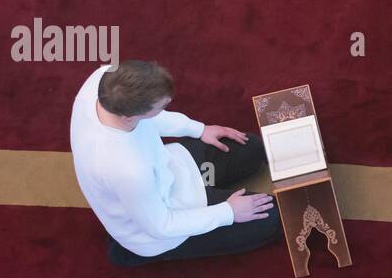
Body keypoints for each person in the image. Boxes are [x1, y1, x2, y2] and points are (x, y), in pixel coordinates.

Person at [69, 60, 281, 267]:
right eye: (161, 106)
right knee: (274, 216)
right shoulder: (127, 169)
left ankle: (212, 191)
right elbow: (161, 226)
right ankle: (128, 250)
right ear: (130, 117)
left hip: (173, 169)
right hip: (162, 223)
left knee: (251, 147)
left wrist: (200, 129)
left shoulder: (103, 79)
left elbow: (153, 118)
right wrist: (228, 212)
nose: (165, 107)